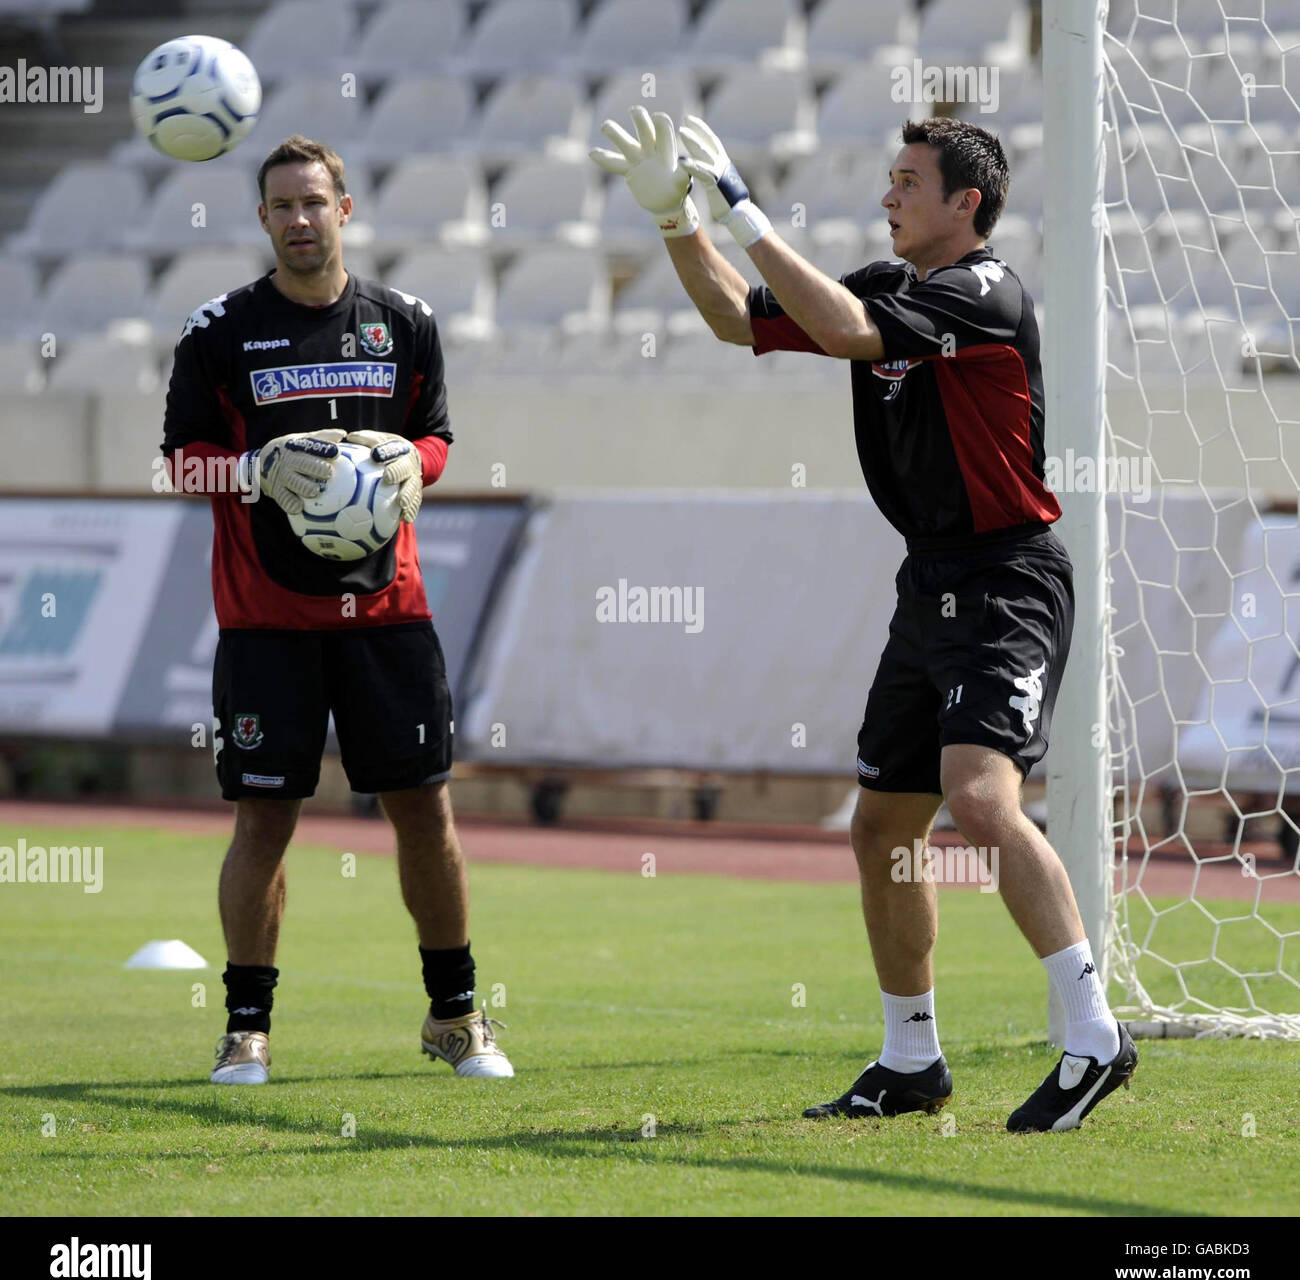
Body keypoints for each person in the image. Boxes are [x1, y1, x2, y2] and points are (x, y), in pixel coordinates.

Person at [591, 109, 1135, 1132]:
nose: (887, 195)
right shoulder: (890, 290)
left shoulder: (984, 291)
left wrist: (740, 203)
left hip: (1007, 578)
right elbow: (732, 318)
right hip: (927, 581)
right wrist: (675, 219)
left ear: (964, 203)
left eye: (907, 181)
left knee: (979, 797)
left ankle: (1093, 1030)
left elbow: (842, 331)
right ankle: (910, 1057)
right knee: (884, 822)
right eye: (887, 177)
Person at [161, 134, 512, 1085]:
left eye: (315, 202)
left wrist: (411, 465)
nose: (300, 220)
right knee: (264, 823)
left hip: (389, 615)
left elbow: (434, 438)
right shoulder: (219, 331)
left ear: (345, 209)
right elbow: (179, 460)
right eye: (281, 206)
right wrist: (252, 469)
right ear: (263, 218)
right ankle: (247, 1029)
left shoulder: (404, 321)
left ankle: (455, 1015)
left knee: (424, 812)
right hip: (267, 621)